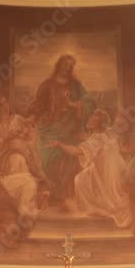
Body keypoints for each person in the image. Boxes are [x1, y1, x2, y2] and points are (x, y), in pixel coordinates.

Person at [48, 109, 131, 228]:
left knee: (79, 179)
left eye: (93, 117)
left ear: (98, 123)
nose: (90, 118)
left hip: (104, 173)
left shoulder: (96, 139)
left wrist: (59, 144)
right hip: (112, 171)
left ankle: (95, 207)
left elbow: (76, 151)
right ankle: (97, 205)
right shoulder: (109, 133)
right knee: (82, 177)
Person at [31, 54, 95, 209]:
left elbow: (90, 101)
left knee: (70, 160)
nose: (69, 68)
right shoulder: (46, 85)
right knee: (47, 160)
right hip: (50, 128)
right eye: (66, 64)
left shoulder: (76, 86)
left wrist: (74, 105)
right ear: (59, 65)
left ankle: (60, 196)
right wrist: (36, 118)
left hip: (71, 129)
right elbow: (38, 106)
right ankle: (54, 192)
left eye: (71, 66)